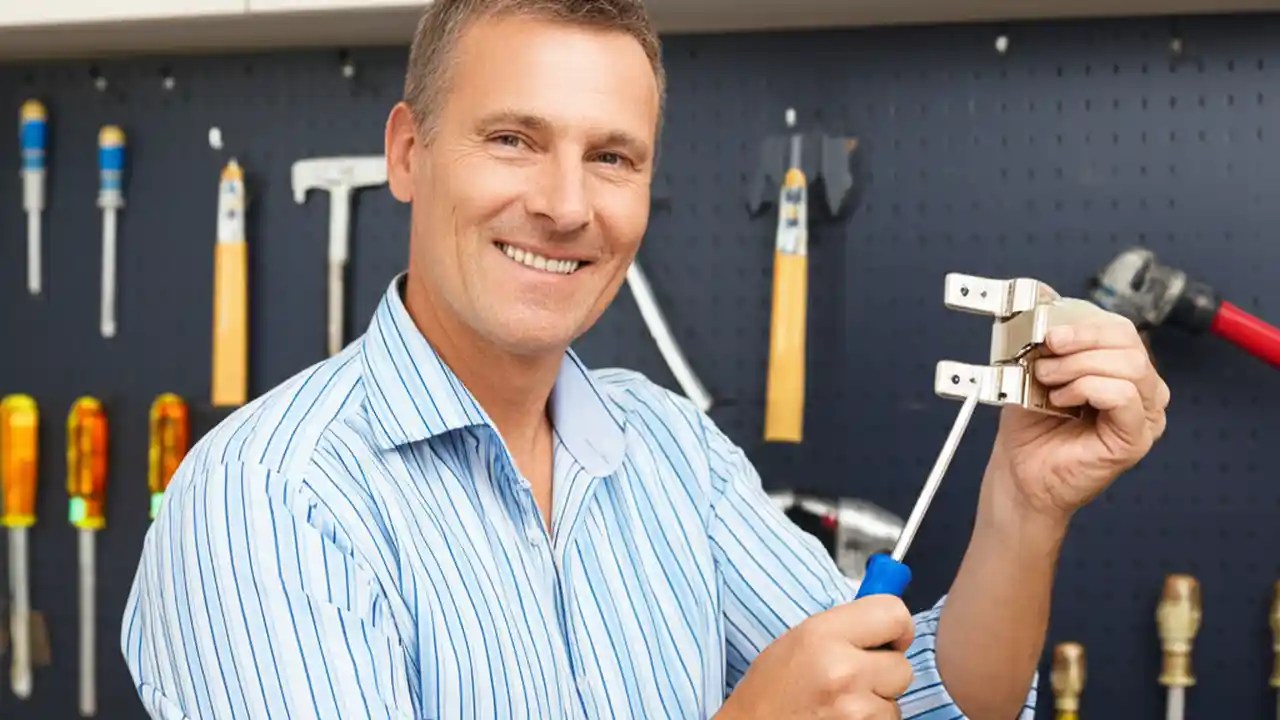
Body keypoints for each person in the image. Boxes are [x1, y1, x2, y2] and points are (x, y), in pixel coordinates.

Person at [121, 1, 1170, 718]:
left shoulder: (667, 448)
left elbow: (917, 705)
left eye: (611, 157)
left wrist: (1020, 511)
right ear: (407, 152)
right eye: (512, 140)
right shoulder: (271, 498)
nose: (566, 206)